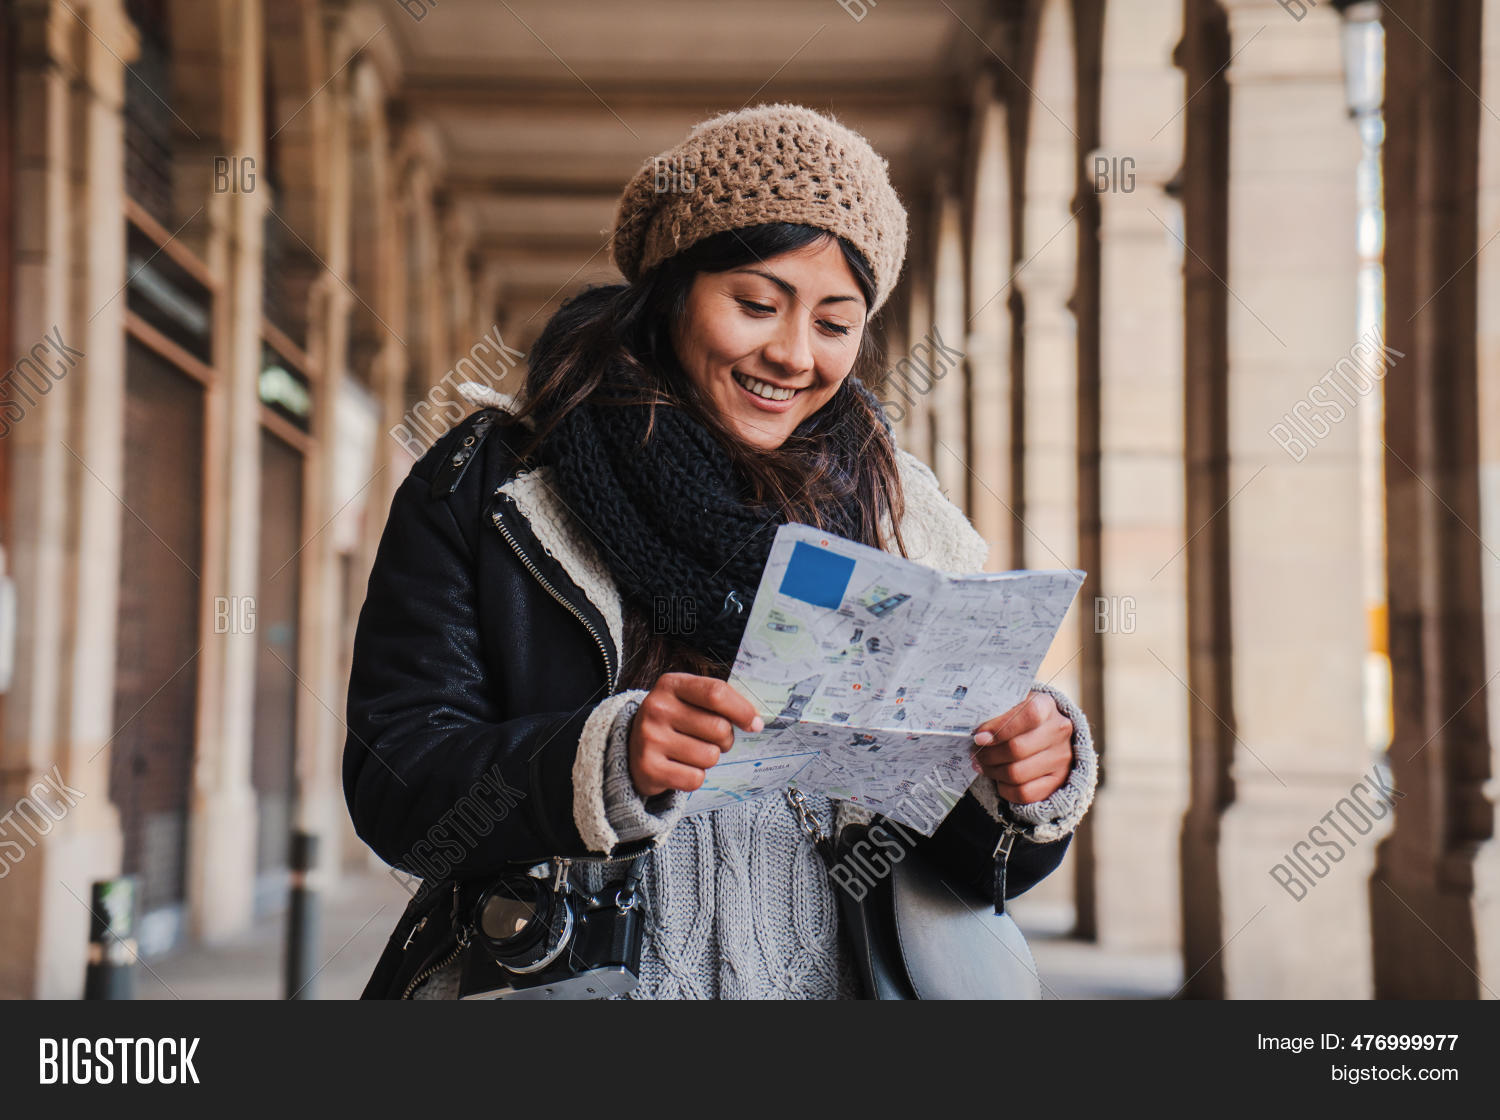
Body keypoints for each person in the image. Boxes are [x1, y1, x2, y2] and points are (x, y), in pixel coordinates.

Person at [343, 103, 1097, 1000]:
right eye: (755, 303)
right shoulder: (495, 485)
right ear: (669, 289)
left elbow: (974, 877)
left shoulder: (903, 517)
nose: (791, 354)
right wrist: (602, 759)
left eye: (833, 322)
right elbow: (400, 787)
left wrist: (1018, 786)